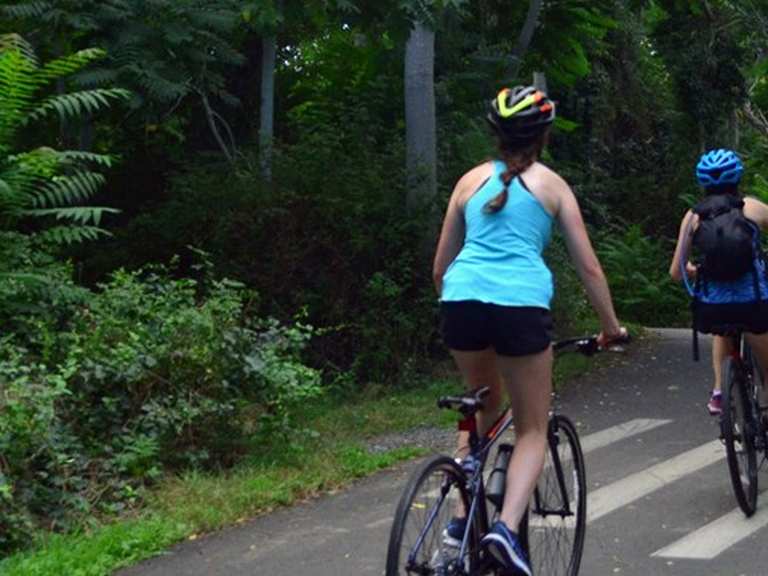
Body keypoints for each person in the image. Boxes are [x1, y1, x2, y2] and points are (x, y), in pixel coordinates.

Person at [432, 85, 626, 576]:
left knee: (479, 403)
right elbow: (589, 269)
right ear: (543, 135)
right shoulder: (553, 186)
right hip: (519, 305)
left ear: (495, 134)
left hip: (460, 299)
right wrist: (610, 328)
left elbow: (440, 268)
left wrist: (461, 299)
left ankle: (458, 524)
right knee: (532, 428)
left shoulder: (467, 182)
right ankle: (506, 530)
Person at [670, 148, 768, 413]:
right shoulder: (753, 208)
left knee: (721, 326)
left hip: (714, 308)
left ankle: (718, 392)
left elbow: (675, 272)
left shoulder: (692, 218)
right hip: (754, 303)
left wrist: (692, 269)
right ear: (737, 179)